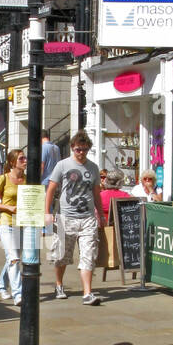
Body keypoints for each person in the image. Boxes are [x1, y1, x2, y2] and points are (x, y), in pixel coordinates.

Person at [45, 130, 105, 305]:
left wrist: (100, 214)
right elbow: (51, 190)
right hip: (65, 217)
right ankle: (59, 284)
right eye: (78, 149)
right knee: (62, 255)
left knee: (88, 255)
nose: (81, 153)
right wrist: (47, 212)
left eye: (85, 149)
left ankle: (87, 293)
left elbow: (96, 193)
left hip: (87, 218)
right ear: (72, 148)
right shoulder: (62, 165)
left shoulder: (93, 167)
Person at [0, 150, 27, 304]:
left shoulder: (27, 179)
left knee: (12, 258)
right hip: (6, 222)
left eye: (25, 157)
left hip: (23, 223)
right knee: (13, 258)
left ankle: (1, 286)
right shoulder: (3, 179)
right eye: (21, 158)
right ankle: (18, 294)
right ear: (13, 162)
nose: (25, 160)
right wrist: (8, 208)